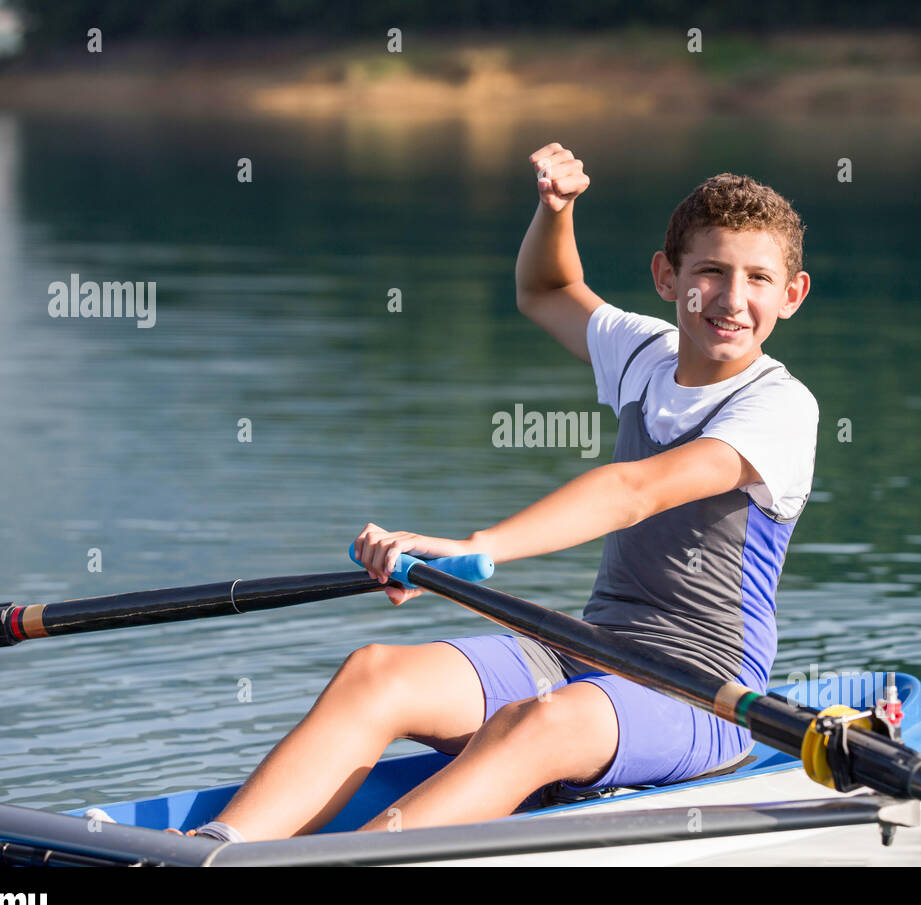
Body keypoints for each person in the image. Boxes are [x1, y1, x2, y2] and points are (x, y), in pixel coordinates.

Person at [177, 142, 817, 843]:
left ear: (791, 295)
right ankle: (215, 851)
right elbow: (545, 290)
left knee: (534, 723)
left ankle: (345, 865)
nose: (731, 299)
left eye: (758, 279)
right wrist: (556, 210)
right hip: (587, 648)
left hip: (706, 693)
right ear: (668, 277)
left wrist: (479, 549)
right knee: (376, 673)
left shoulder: (781, 409)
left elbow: (635, 490)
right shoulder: (643, 353)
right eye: (711, 273)